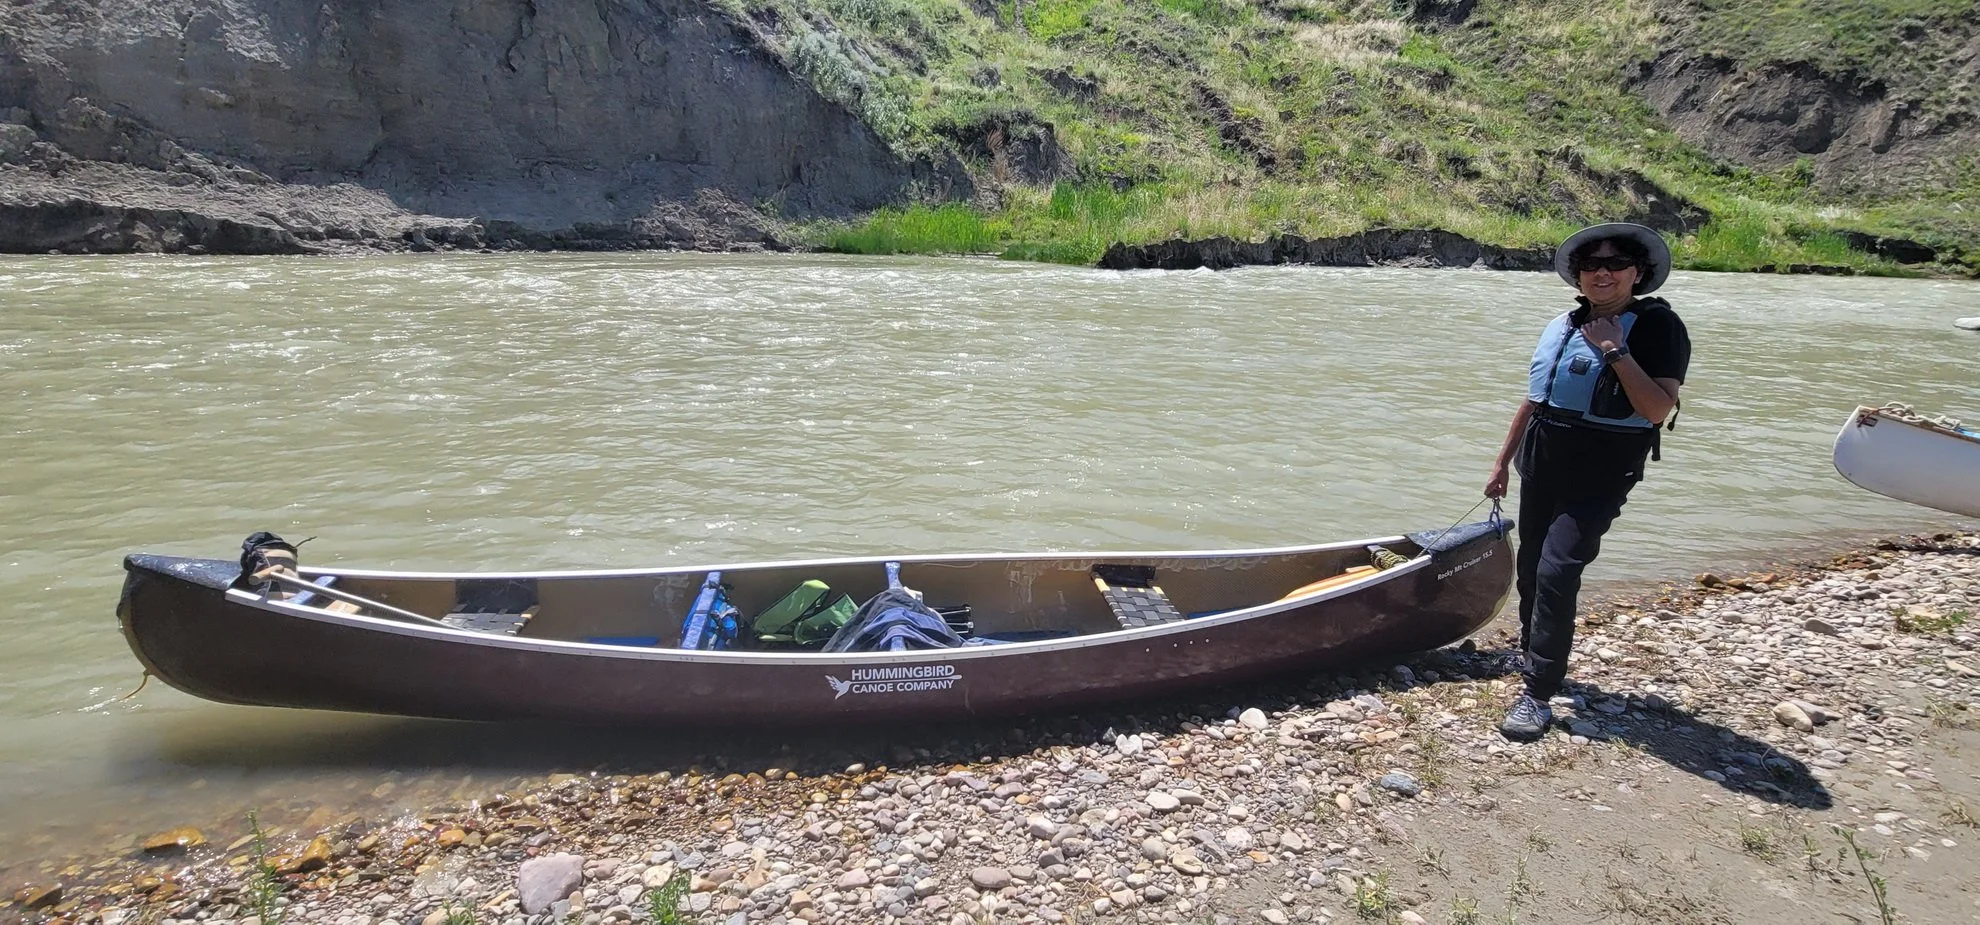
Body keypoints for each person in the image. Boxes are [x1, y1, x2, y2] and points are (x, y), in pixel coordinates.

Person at [1483, 223, 1691, 741]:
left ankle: (1537, 692)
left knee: (1558, 570)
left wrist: (1616, 352)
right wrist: (1502, 463)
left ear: (1636, 273)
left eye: (1616, 262)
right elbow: (1534, 399)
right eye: (1591, 263)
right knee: (1530, 565)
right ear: (1578, 275)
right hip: (1544, 455)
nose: (1603, 271)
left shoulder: (1658, 328)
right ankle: (1533, 652)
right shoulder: (1563, 323)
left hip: (1603, 464)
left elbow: (1657, 409)